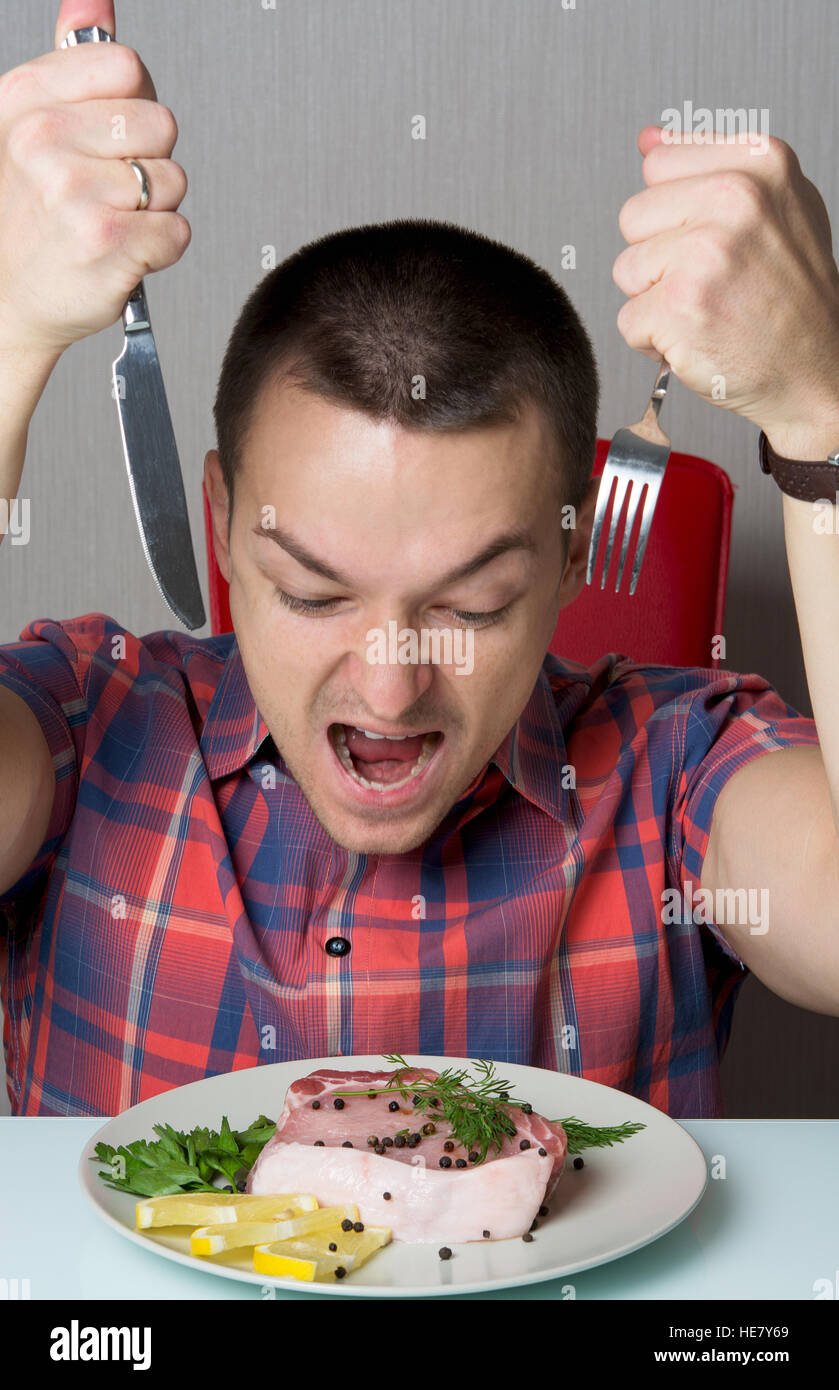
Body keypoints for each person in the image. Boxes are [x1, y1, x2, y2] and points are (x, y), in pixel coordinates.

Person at [2, 3, 838, 1120]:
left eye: (477, 602)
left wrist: (819, 419)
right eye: (311, 591)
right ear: (221, 526)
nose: (390, 684)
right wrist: (7, 333)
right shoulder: (85, 726)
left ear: (571, 551)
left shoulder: (675, 767)